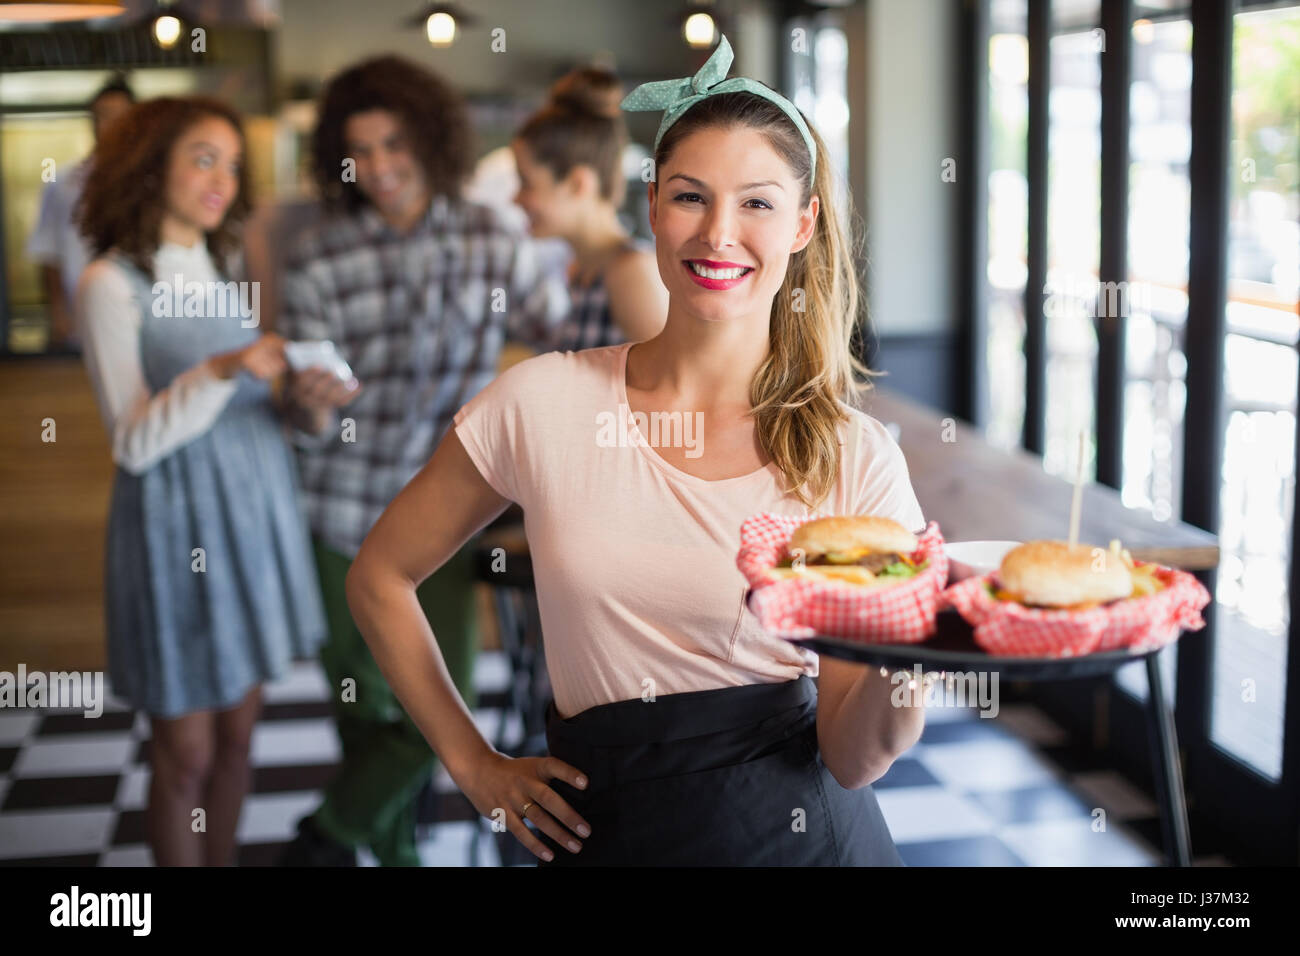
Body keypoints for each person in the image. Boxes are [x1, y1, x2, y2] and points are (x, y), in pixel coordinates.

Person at [344, 35, 927, 866]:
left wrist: (911, 662)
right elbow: (379, 577)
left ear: (802, 226)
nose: (719, 233)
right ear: (651, 206)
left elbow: (852, 755)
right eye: (691, 196)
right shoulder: (543, 403)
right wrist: (472, 765)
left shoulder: (852, 456)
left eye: (757, 204)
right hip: (603, 835)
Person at [276, 55, 569, 868]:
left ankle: (326, 840)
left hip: (442, 516)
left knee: (436, 712)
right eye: (360, 151)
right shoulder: (319, 257)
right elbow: (299, 420)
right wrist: (307, 399)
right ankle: (394, 857)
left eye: (394, 145)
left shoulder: (489, 236)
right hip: (338, 509)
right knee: (365, 716)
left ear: (431, 142)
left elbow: (562, 335)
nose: (378, 168)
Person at [75, 95, 327, 866]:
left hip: (253, 517)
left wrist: (304, 402)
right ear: (151, 165)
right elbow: (134, 441)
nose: (222, 179)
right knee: (184, 755)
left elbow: (251, 407)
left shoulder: (222, 267)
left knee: (240, 737)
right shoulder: (109, 283)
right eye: (203, 158)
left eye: (232, 164)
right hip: (176, 529)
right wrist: (223, 368)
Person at [513, 67, 667, 349]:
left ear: (577, 184)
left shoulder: (630, 273)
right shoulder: (582, 270)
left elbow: (672, 387)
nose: (516, 198)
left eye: (526, 182)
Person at [28, 74, 134, 349]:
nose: (109, 125)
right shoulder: (62, 183)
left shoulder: (151, 181)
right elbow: (49, 252)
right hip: (79, 320)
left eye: (118, 117)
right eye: (102, 116)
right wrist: (58, 313)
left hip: (136, 315)